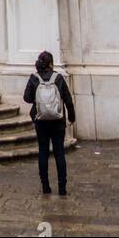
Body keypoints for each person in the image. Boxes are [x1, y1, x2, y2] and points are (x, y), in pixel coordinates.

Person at [23, 50, 75, 195]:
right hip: (58, 121)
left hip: (41, 121)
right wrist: (71, 117)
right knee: (59, 153)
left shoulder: (34, 78)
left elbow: (26, 98)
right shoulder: (58, 78)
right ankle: (62, 187)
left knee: (43, 151)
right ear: (51, 63)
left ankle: (45, 186)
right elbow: (69, 101)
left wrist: (38, 100)